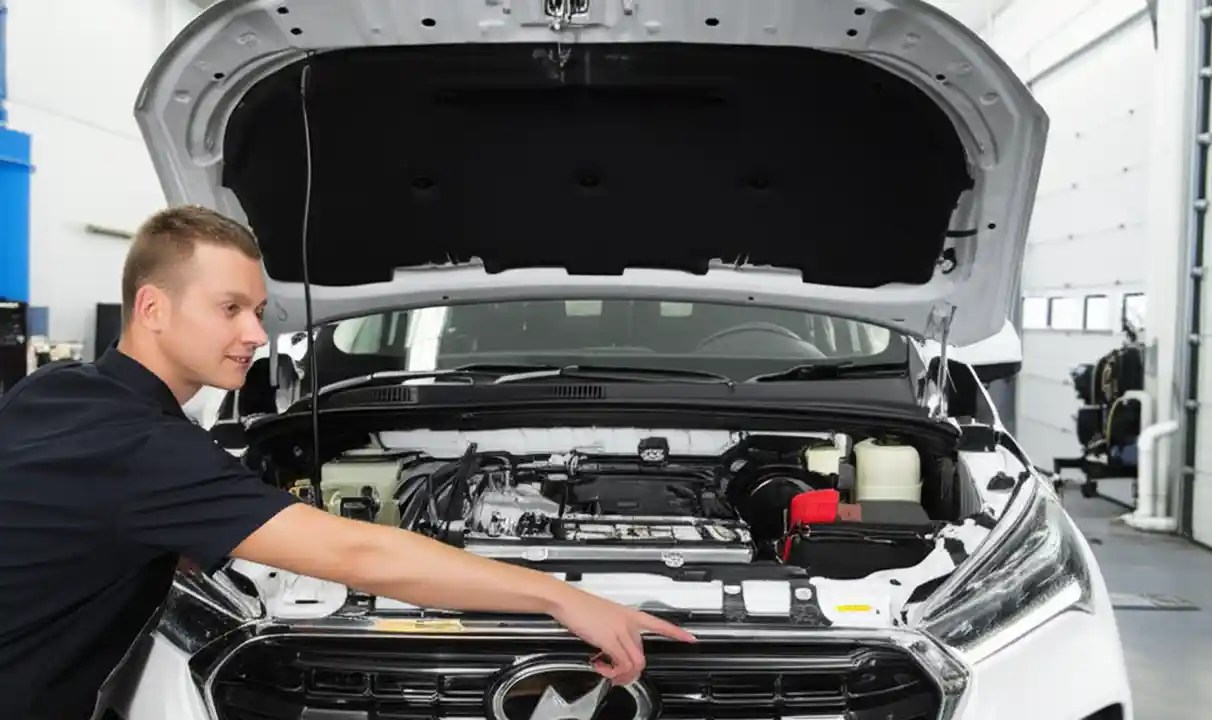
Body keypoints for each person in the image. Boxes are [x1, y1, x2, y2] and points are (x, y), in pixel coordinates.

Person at [0, 206, 695, 720]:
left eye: (259, 310)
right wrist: (561, 596)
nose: (256, 334)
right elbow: (357, 553)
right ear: (152, 307)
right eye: (230, 308)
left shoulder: (55, 391)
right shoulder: (145, 450)